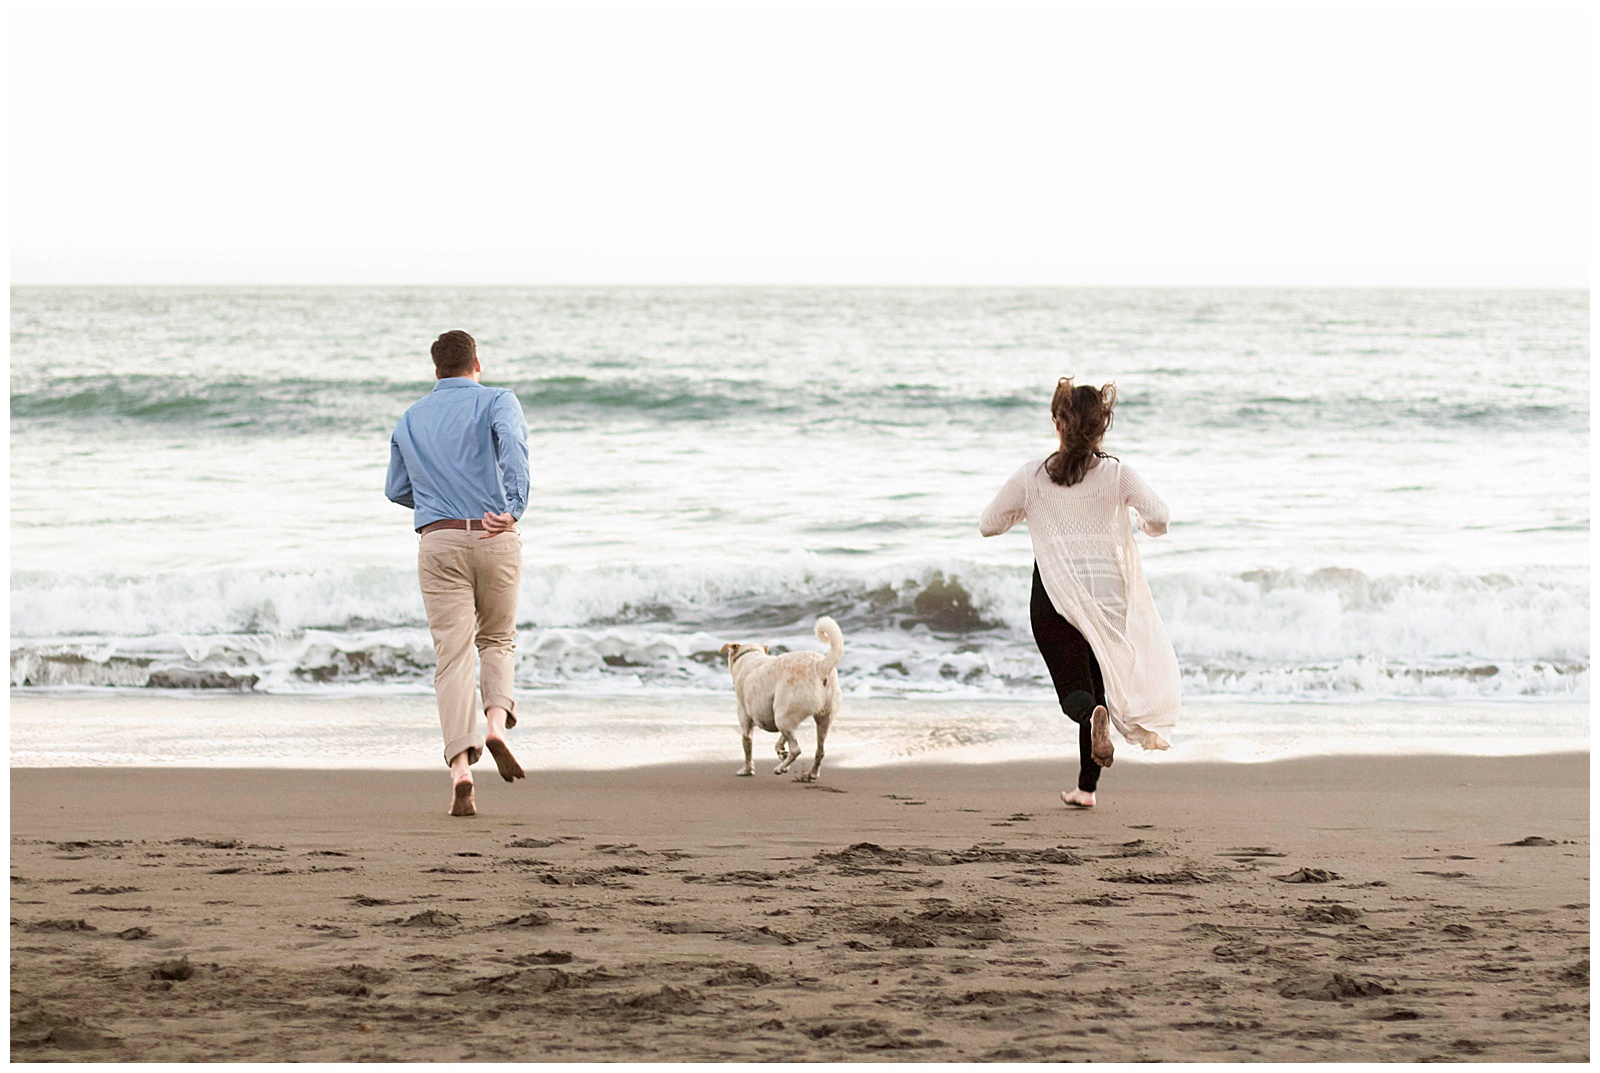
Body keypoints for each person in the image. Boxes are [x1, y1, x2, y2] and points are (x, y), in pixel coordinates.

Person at [980, 377, 1180, 808]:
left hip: (1054, 596)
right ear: (1101, 428)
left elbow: (988, 524)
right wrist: (1144, 528)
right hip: (1108, 595)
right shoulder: (1118, 474)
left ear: (1057, 422)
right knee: (1096, 686)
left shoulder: (1033, 476)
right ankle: (1086, 790)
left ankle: (1091, 730)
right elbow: (1160, 515)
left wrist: (1031, 513)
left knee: (1077, 692)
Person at [386, 330, 530, 817]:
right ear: (477, 364)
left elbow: (395, 488)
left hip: (439, 539)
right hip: (494, 535)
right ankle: (494, 724)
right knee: (497, 640)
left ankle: (461, 771)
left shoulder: (410, 418)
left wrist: (435, 505)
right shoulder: (498, 401)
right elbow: (511, 443)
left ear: (436, 371)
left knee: (452, 657)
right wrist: (514, 506)